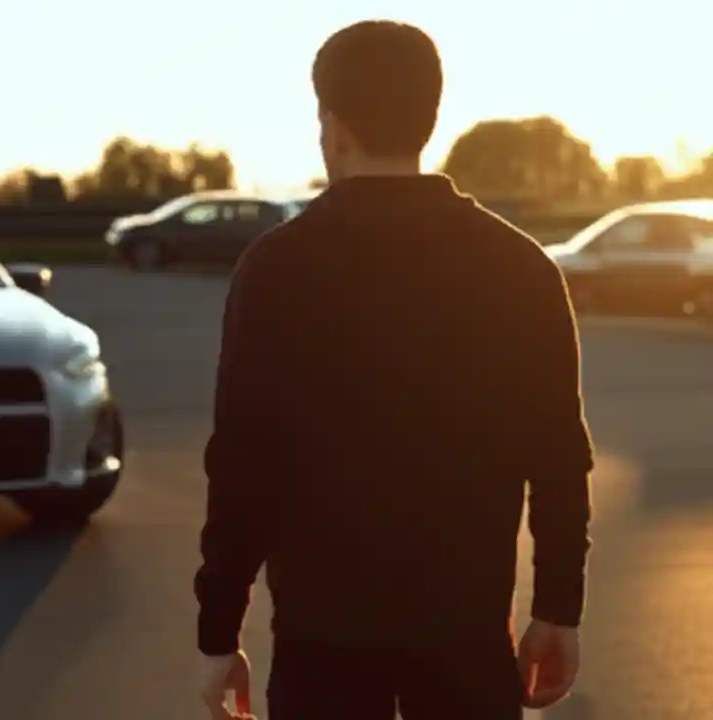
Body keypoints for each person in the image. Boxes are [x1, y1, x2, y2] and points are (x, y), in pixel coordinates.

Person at [194, 19, 594, 720]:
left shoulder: (277, 270)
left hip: (322, 641)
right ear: (430, 115)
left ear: (333, 123)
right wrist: (559, 606)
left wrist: (218, 631)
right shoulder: (520, 267)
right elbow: (559, 454)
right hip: (467, 636)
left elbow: (242, 463)